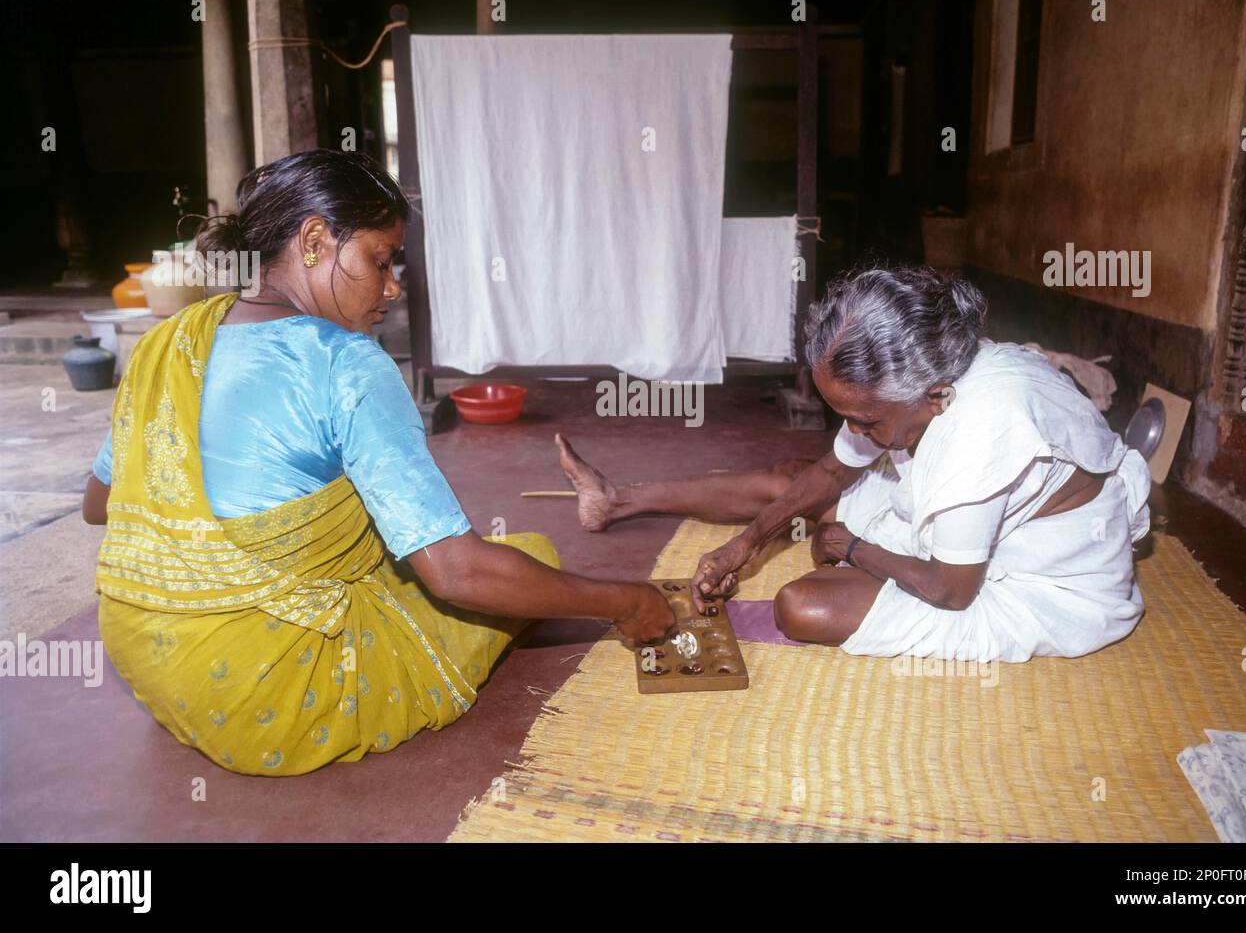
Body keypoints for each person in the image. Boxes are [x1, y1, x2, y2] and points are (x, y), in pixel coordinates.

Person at [83, 149, 674, 776]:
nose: (392, 287)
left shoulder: (166, 343)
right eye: (380, 259)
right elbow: (456, 573)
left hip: (146, 652)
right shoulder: (346, 362)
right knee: (530, 559)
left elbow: (101, 506)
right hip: (263, 690)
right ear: (313, 239)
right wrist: (624, 602)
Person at [555, 265, 1152, 663]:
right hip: (971, 528)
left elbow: (950, 590)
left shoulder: (981, 425)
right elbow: (830, 473)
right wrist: (745, 546)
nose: (858, 433)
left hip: (1040, 585)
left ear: (937, 393)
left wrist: (852, 548)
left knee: (804, 604)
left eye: (867, 420)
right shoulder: (930, 376)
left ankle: (851, 547)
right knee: (799, 478)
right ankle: (619, 499)